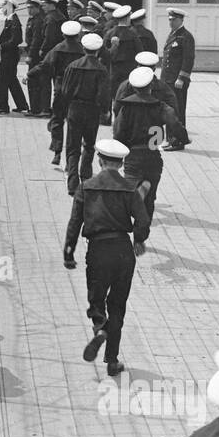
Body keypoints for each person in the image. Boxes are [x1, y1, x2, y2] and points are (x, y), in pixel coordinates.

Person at [63, 139, 150, 377]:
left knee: (96, 299)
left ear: (99, 161)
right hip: (123, 250)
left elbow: (75, 222)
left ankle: (100, 327)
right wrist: (139, 240)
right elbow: (142, 219)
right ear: (121, 164)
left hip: (99, 250)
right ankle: (112, 360)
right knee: (118, 306)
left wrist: (69, 252)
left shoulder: (86, 187)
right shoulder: (130, 189)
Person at [113, 66, 167, 225]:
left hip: (133, 157)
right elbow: (173, 120)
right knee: (149, 201)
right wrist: (181, 135)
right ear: (151, 86)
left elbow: (119, 133)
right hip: (153, 155)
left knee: (128, 192)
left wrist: (118, 154)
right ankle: (140, 236)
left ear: (133, 87)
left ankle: (134, 199)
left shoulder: (127, 107)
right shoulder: (159, 106)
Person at [59, 32, 110, 196]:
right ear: (98, 50)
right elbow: (103, 94)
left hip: (74, 109)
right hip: (92, 110)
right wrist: (105, 111)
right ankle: (86, 179)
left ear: (83, 47)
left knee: (72, 147)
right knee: (88, 145)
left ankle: (72, 183)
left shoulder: (73, 66)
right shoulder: (101, 69)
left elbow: (65, 91)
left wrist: (66, 108)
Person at [41, 19, 84, 167]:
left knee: (57, 120)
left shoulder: (57, 48)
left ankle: (57, 152)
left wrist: (29, 75)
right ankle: (71, 159)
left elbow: (45, 65)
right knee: (73, 124)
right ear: (78, 35)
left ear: (63, 34)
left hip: (60, 89)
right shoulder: (83, 50)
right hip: (78, 91)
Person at [162, 8, 195, 149]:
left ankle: (178, 141)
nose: (171, 23)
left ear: (181, 20)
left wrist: (181, 77)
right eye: (170, 20)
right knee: (169, 109)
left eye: (174, 20)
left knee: (178, 110)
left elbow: (188, 59)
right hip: (168, 80)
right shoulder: (173, 34)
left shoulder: (186, 36)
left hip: (177, 81)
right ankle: (170, 138)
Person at [0, 0, 29, 114]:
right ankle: (22, 105)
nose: (2, 9)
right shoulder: (9, 19)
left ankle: (3, 107)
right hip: (9, 54)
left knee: (2, 81)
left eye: (4, 6)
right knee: (11, 80)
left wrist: (2, 46)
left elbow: (17, 39)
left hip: (10, 54)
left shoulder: (14, 21)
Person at [104, 4, 141, 100]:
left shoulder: (109, 33)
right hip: (129, 71)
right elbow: (140, 53)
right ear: (128, 18)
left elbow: (103, 54)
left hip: (113, 71)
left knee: (114, 98)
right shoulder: (133, 34)